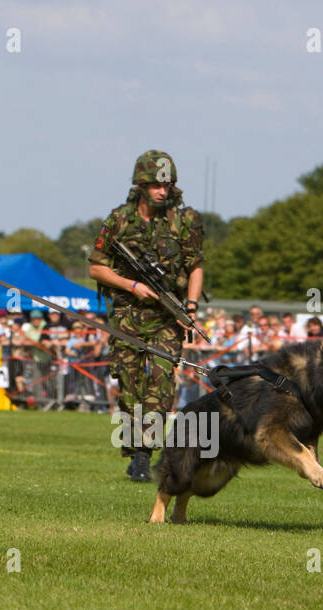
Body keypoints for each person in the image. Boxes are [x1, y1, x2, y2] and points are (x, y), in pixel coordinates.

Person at [88, 150, 204, 481]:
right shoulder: (118, 220)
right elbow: (97, 267)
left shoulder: (185, 221)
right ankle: (133, 448)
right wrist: (131, 285)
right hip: (127, 313)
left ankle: (144, 454)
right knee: (128, 386)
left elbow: (196, 266)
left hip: (168, 317)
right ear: (141, 184)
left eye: (167, 185)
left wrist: (190, 308)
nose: (162, 191)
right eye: (155, 184)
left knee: (161, 384)